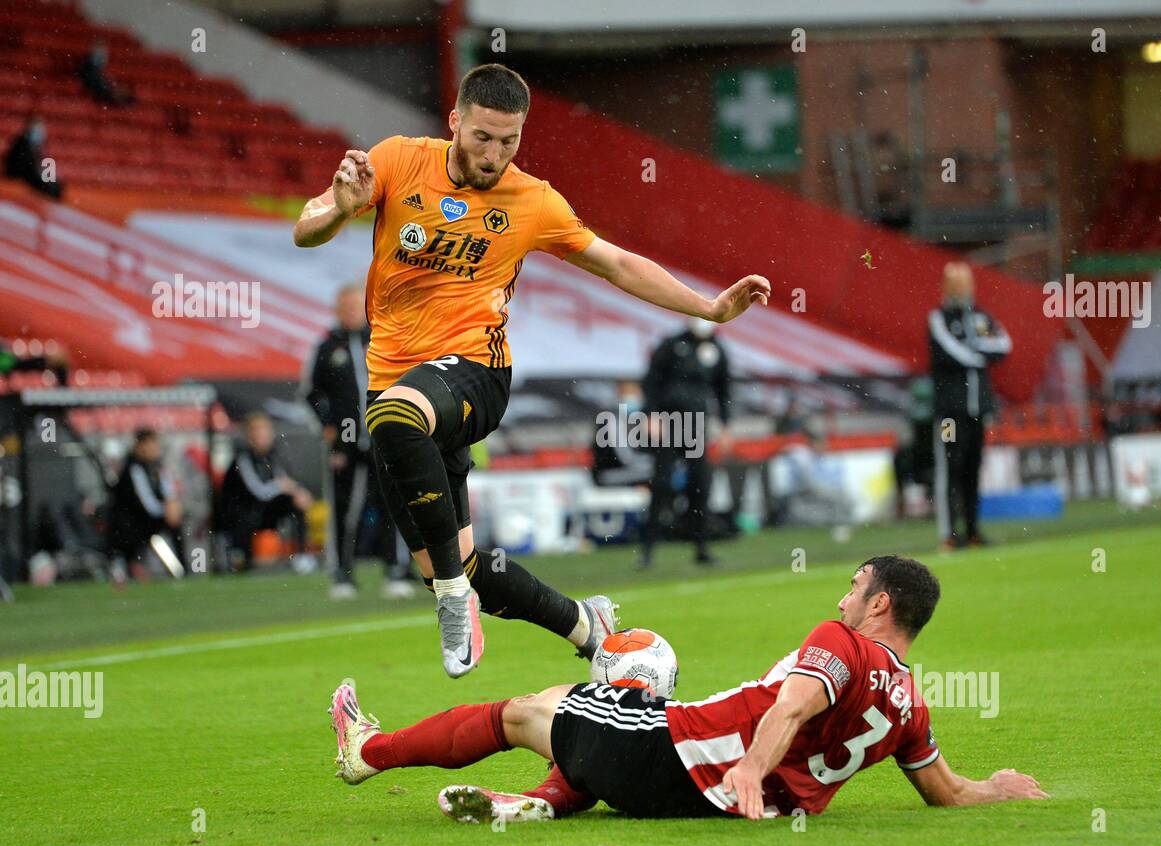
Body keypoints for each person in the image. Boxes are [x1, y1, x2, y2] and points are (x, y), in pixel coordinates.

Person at [292, 63, 770, 678]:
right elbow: (307, 228)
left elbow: (616, 263)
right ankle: (583, 626)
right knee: (453, 561)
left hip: (476, 374)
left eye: (509, 140)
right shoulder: (396, 160)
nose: (494, 154)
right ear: (455, 121)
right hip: (398, 383)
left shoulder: (533, 200)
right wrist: (340, 211)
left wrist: (708, 307)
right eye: (483, 137)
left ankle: (450, 599)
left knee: (395, 421)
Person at [329, 555, 1048, 822]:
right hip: (715, 798)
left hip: (683, 757)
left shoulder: (842, 645)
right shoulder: (910, 705)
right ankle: (546, 800)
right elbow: (947, 792)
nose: (841, 601)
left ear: (881, 606)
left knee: (527, 710)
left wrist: (750, 764)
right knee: (592, 724)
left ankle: (370, 750)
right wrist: (1001, 786)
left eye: (855, 588)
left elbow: (795, 705)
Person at [303, 283, 415, 600]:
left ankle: (398, 570)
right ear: (337, 311)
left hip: (385, 435)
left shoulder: (384, 338)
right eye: (346, 307)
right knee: (345, 509)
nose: (352, 313)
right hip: (345, 441)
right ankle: (342, 575)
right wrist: (327, 426)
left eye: (356, 306)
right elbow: (311, 394)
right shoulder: (326, 348)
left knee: (394, 504)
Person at [928, 262, 1012, 550]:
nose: (963, 289)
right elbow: (953, 353)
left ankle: (973, 530)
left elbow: (1003, 345)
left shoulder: (980, 317)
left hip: (978, 410)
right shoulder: (938, 318)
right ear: (946, 287)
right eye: (956, 284)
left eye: (966, 283)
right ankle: (949, 534)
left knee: (973, 470)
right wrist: (979, 354)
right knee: (950, 469)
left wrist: (978, 349)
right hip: (951, 412)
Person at [639, 318, 734, 568]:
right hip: (669, 423)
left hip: (696, 426)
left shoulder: (717, 350)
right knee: (661, 485)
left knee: (700, 485)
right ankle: (647, 550)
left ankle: (701, 547)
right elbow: (651, 381)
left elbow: (723, 390)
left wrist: (725, 425)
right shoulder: (671, 345)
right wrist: (650, 414)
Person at [218, 412, 313, 572]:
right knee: (244, 518)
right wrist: (283, 486)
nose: (263, 435)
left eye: (265, 430)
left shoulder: (273, 456)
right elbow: (259, 491)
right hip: (242, 515)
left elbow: (285, 481)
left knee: (296, 503)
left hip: (265, 511)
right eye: (258, 430)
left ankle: (301, 556)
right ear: (249, 435)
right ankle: (241, 559)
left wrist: (298, 491)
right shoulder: (242, 459)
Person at [106, 429, 183, 581]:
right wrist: (165, 511)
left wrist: (173, 506)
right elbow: (145, 503)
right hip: (132, 524)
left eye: (155, 444)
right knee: (167, 527)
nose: (154, 448)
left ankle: (181, 568)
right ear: (139, 446)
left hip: (150, 520)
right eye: (149, 444)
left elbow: (169, 492)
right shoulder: (133, 469)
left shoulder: (157, 467)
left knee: (179, 523)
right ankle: (173, 569)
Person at [4, 114, 62, 200]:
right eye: (38, 127)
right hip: (22, 174)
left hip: (30, 173)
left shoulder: (37, 145)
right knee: (49, 187)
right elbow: (22, 164)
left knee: (55, 184)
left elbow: (41, 162)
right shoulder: (21, 143)